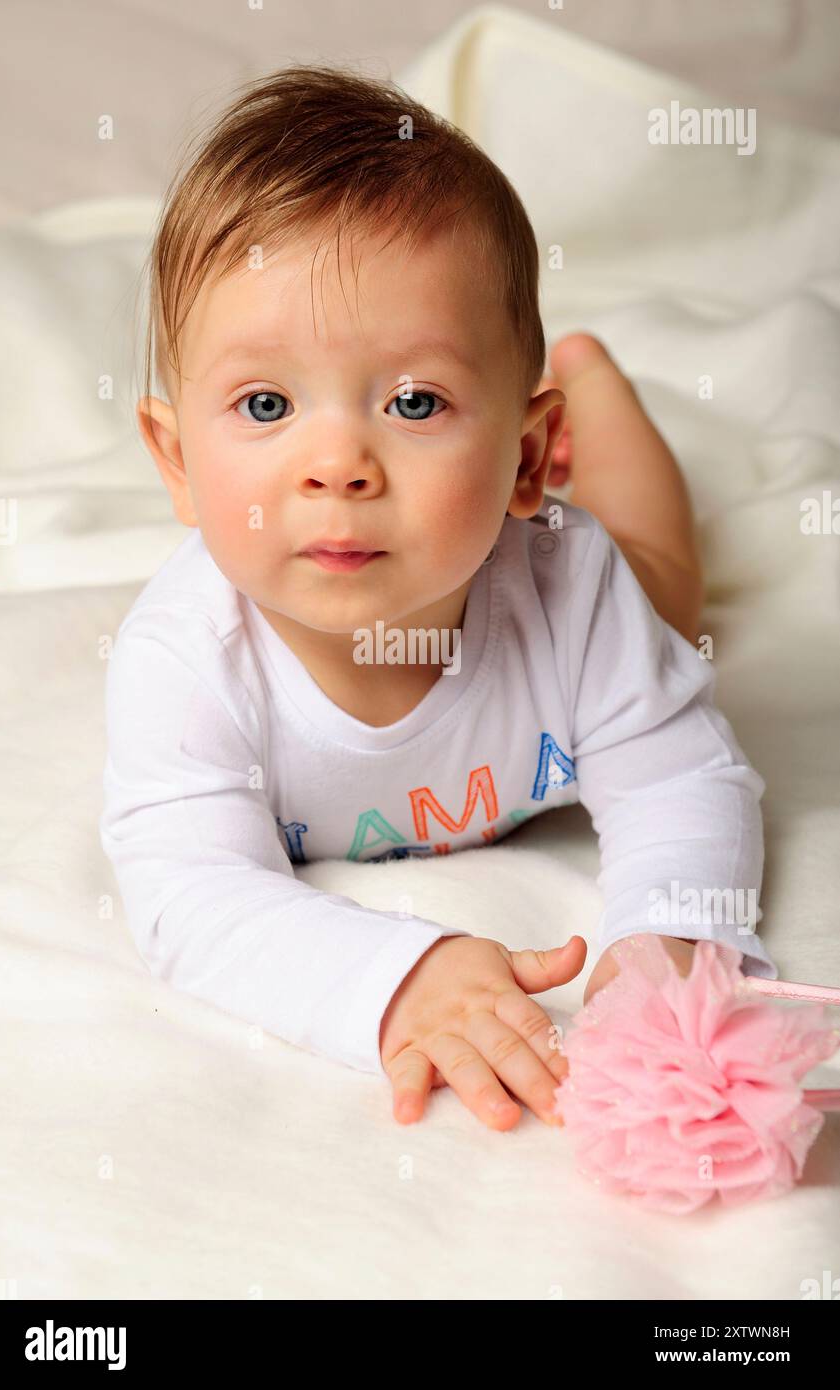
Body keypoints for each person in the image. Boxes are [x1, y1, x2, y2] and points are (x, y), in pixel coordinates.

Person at [100, 64, 777, 1134]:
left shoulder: (576, 587)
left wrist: (672, 939)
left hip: (586, 561)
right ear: (176, 462)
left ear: (521, 457)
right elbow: (192, 899)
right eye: (266, 402)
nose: (337, 464)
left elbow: (683, 777)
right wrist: (401, 978)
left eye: (414, 401)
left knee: (662, 565)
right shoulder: (184, 660)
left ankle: (594, 390)